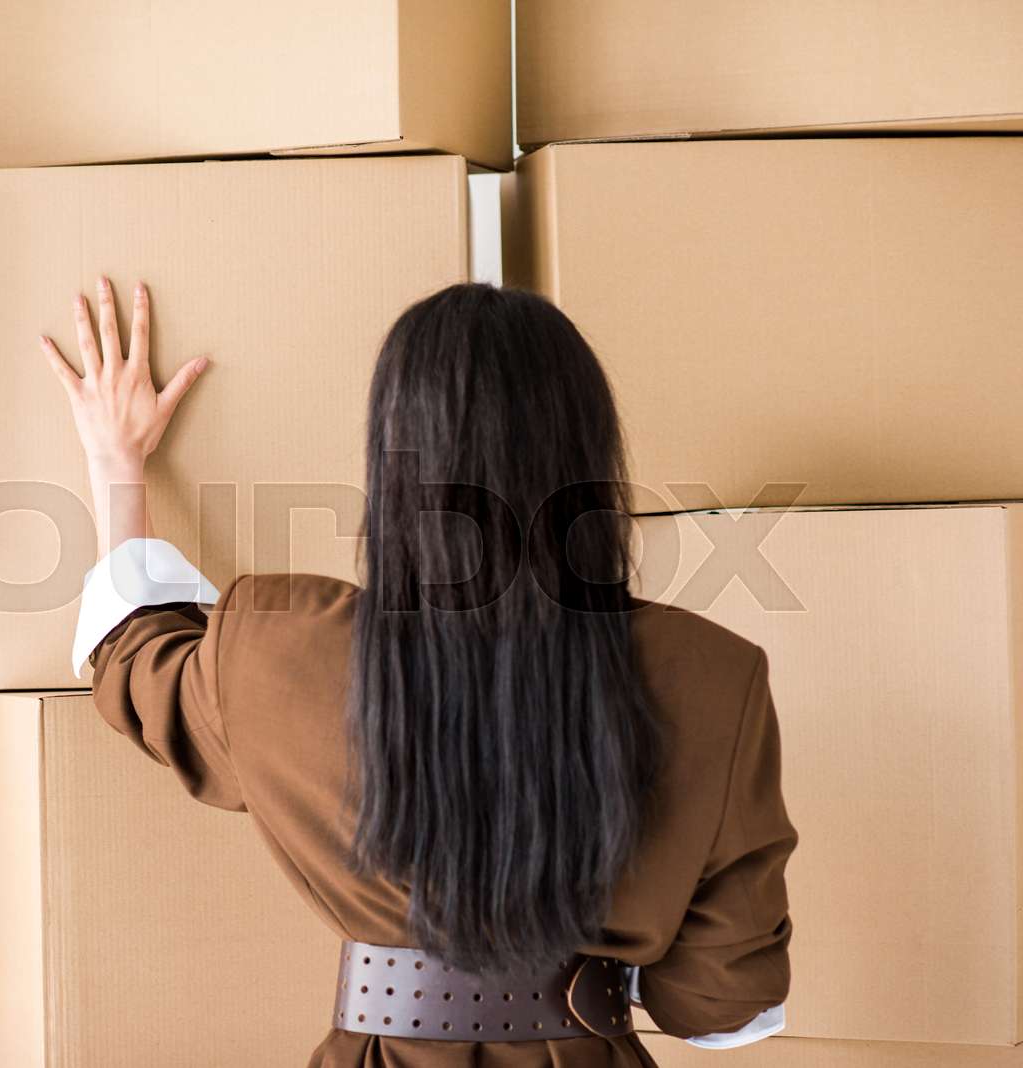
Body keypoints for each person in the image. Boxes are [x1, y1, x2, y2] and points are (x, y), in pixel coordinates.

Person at [39, 278, 796, 1067]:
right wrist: (607, 965)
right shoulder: (715, 677)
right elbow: (725, 1002)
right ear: (591, 457)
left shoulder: (277, 651)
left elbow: (131, 651)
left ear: (395, 461)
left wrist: (115, 463)